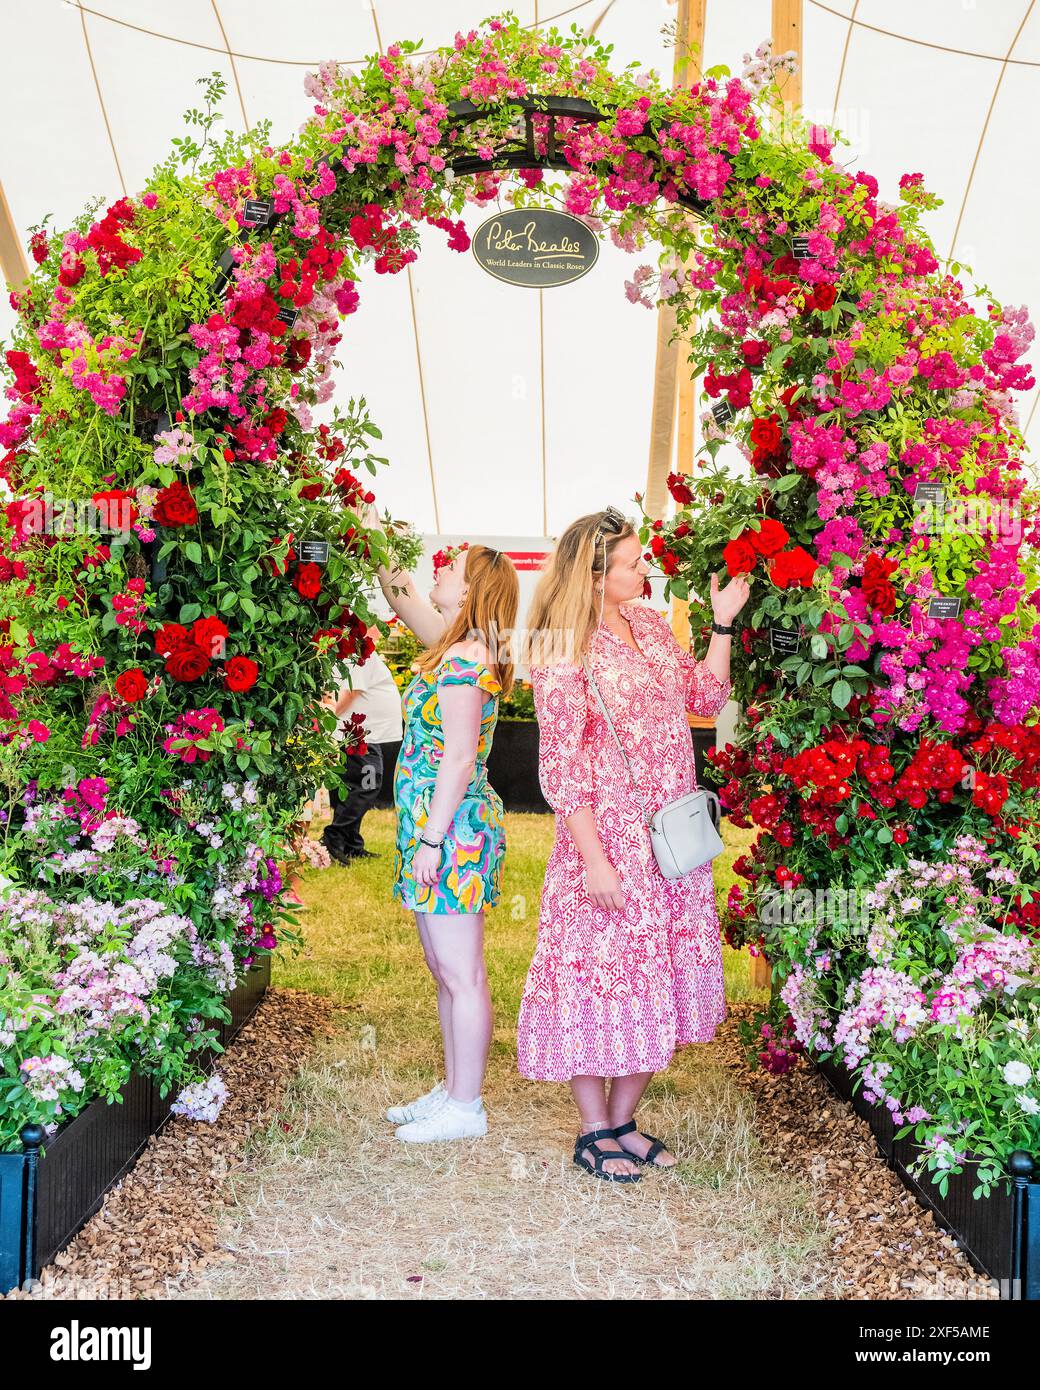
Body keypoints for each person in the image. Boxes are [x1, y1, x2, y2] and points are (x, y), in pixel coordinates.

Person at [517, 506, 750, 1183]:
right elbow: (560, 768)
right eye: (628, 563)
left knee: (660, 973)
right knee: (598, 977)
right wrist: (593, 859)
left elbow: (707, 694)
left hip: (669, 840)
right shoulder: (565, 651)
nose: (641, 567)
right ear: (593, 577)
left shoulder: (649, 624)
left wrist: (723, 621)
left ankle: (623, 1122)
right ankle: (594, 1131)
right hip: (609, 842)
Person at [364, 507, 520, 1143]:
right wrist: (373, 533)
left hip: (449, 829)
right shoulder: (454, 646)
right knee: (444, 968)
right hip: (437, 823)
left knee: (462, 973)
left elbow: (458, 757)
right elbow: (403, 600)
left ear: (473, 589)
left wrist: (431, 838)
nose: (439, 569)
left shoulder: (465, 659)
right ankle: (454, 1090)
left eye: (450, 568)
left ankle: (466, 1108)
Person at [321, 628, 402, 864]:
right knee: (366, 786)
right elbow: (350, 693)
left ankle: (351, 843)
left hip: (367, 733)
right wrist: (326, 722)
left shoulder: (362, 653)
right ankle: (333, 837)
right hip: (359, 734)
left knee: (358, 785)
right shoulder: (358, 653)